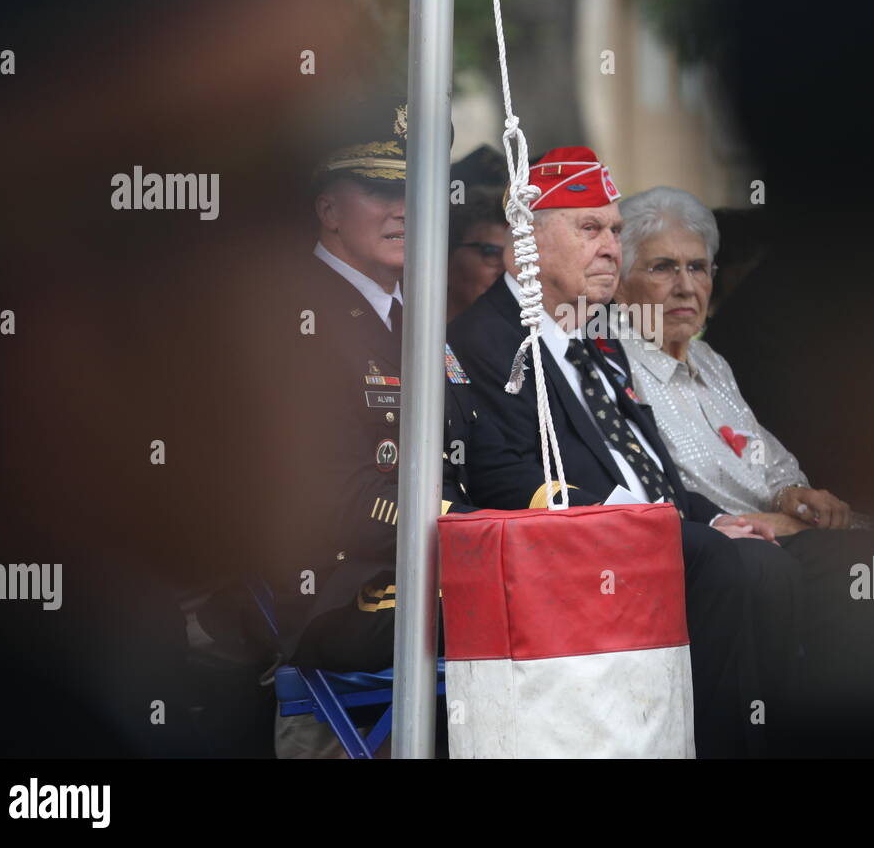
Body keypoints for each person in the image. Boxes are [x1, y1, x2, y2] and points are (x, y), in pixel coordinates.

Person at [448, 147, 804, 757]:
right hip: (576, 553)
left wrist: (716, 517)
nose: (612, 247)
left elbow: (649, 468)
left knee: (805, 558)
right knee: (740, 568)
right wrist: (665, 528)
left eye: (614, 230)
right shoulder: (483, 338)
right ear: (526, 239)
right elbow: (502, 477)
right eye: (590, 229)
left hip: (648, 535)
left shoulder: (599, 337)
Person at [266, 102, 491, 755]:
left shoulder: (415, 315)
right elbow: (324, 499)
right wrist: (465, 525)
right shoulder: (292, 317)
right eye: (381, 190)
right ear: (328, 208)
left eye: (415, 191)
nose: (404, 209)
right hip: (332, 590)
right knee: (534, 605)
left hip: (433, 559)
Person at [615, 186, 856, 531]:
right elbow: (654, 506)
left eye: (697, 267)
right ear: (619, 285)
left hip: (786, 542)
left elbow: (770, 461)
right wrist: (771, 523)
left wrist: (790, 495)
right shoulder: (612, 367)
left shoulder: (709, 359)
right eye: (663, 268)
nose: (686, 286)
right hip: (723, 558)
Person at [446, 184, 508, 320]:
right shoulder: (404, 330)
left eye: (517, 258)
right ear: (447, 257)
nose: (507, 271)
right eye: (491, 252)